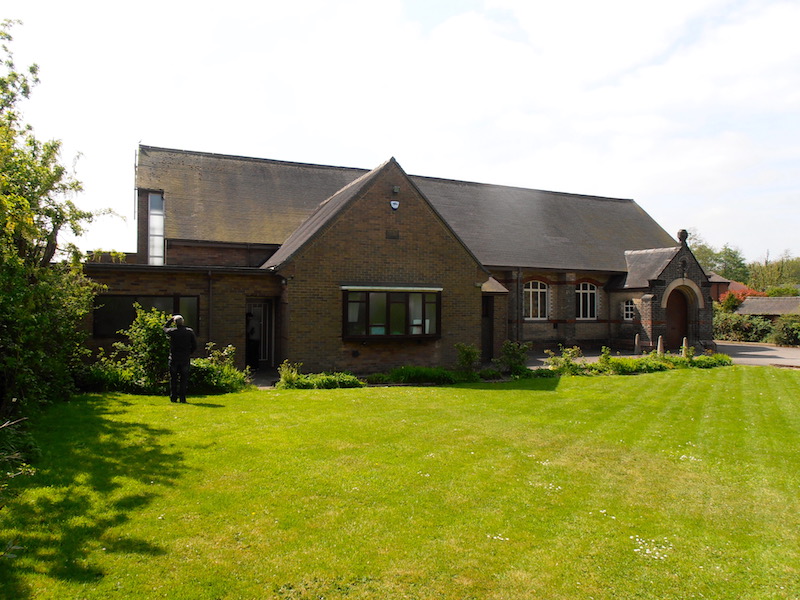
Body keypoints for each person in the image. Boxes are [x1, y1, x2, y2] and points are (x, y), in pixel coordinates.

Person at [163, 314, 198, 403]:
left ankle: (173, 397)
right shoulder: (189, 332)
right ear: (183, 322)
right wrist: (189, 353)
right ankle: (182, 398)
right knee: (184, 379)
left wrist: (170, 320)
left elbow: (165, 328)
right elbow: (195, 345)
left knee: (173, 378)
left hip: (174, 358)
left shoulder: (173, 331)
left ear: (175, 323)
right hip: (185, 358)